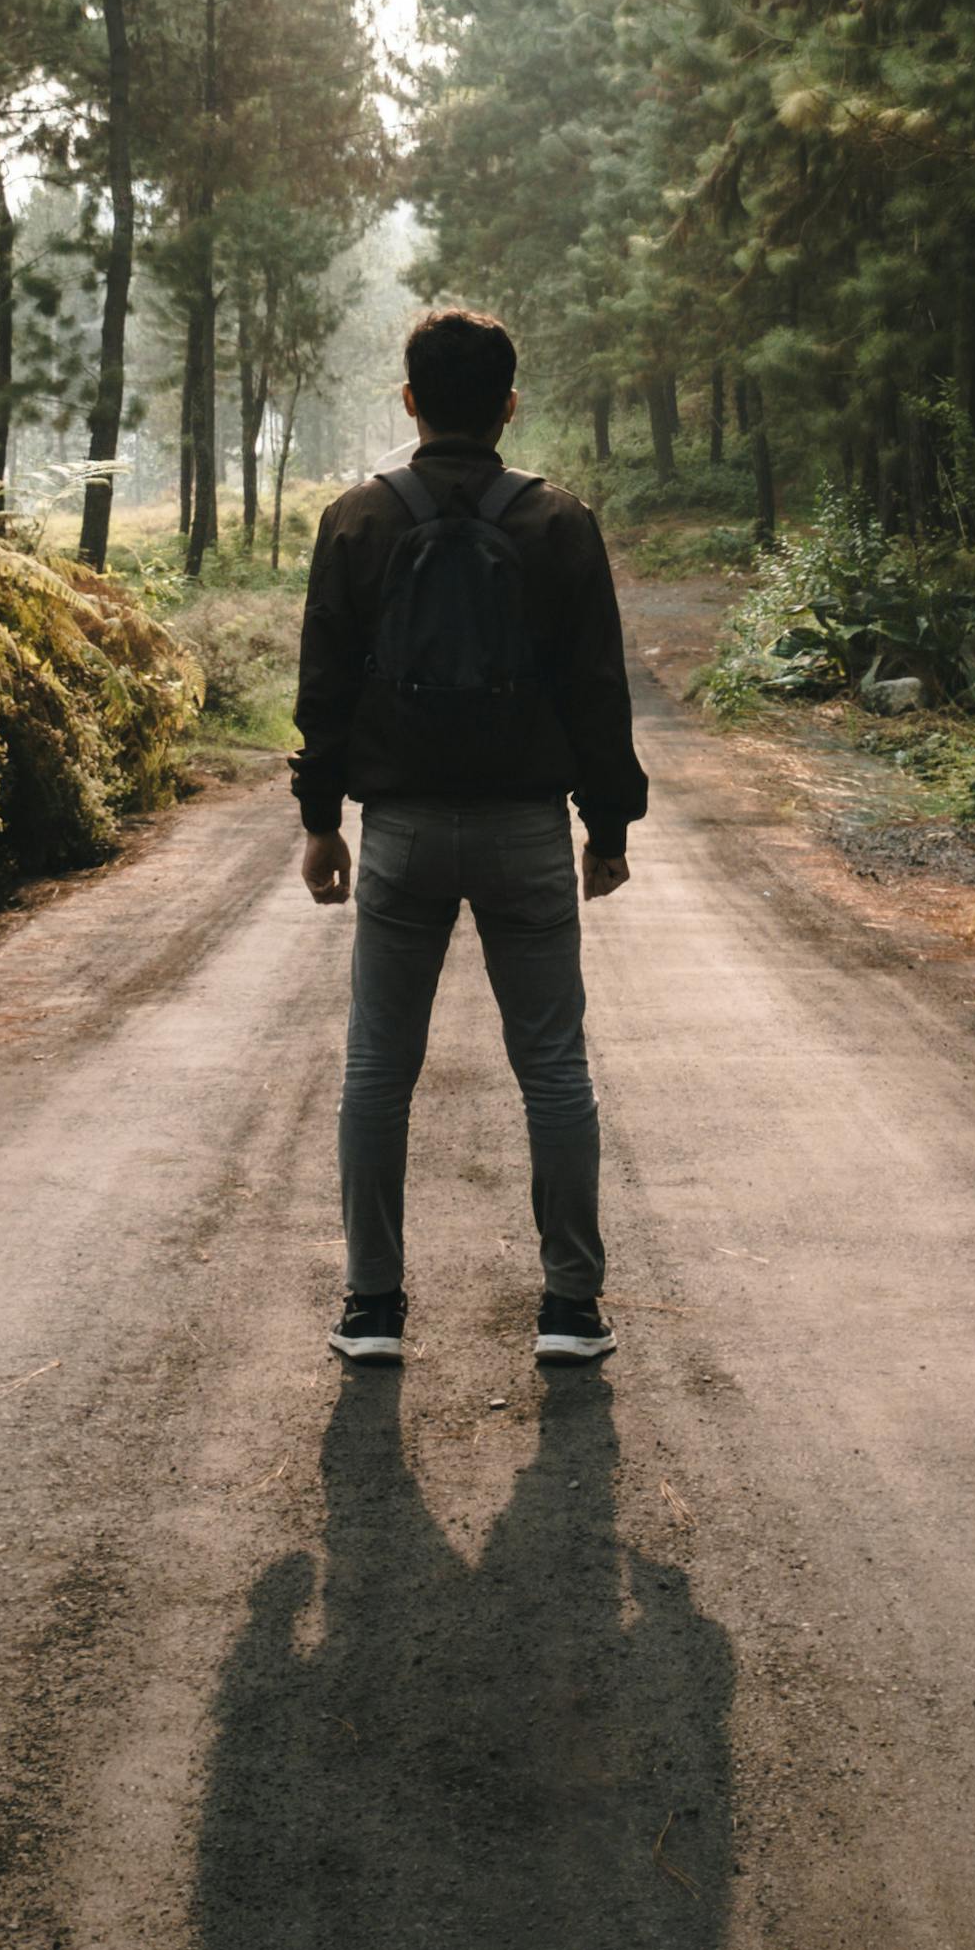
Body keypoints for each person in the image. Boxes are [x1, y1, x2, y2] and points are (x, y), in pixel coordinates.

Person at [292, 303, 648, 1370]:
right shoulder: (558, 522)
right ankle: (570, 1307)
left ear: (410, 399)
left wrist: (321, 823)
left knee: (376, 1070)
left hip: (399, 832)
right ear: (508, 405)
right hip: (525, 832)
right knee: (553, 1069)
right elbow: (596, 687)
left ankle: (372, 1308)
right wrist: (607, 826)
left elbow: (323, 687)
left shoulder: (357, 519)